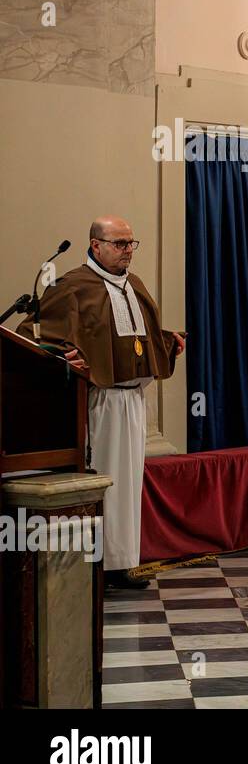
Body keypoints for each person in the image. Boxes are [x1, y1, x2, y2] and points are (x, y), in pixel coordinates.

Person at [19, 216, 184, 587]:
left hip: (134, 400)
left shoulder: (134, 284)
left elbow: (130, 336)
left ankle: (122, 560)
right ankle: (96, 564)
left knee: (128, 483)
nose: (128, 251)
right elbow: (34, 332)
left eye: (131, 243)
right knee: (105, 479)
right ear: (96, 245)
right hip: (101, 401)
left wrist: (166, 339)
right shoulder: (73, 285)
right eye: (120, 244)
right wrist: (62, 354)